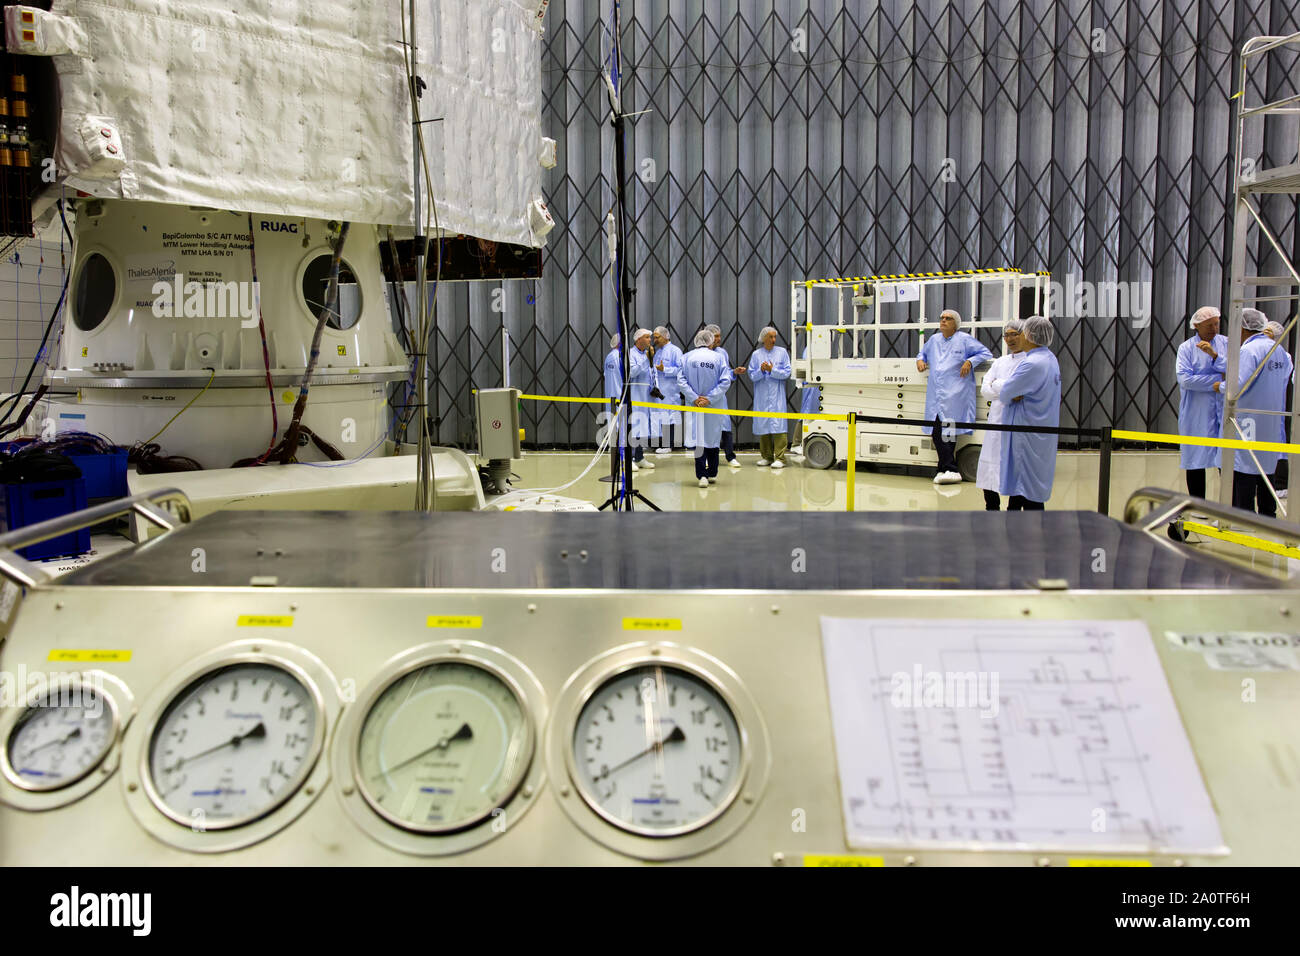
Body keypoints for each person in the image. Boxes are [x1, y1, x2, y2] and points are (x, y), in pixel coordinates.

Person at [916, 309, 994, 484]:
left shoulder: (964, 340)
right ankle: (946, 468)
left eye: (948, 319)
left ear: (956, 324)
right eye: (941, 318)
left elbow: (985, 353)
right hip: (937, 395)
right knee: (937, 432)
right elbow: (922, 353)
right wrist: (920, 360)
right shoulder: (934, 340)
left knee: (948, 432)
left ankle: (948, 468)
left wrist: (969, 361)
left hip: (955, 395)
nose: (943, 321)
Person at [1230, 308, 1294, 517]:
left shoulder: (1249, 351)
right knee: (1266, 465)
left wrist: (1221, 387)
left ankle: (1244, 514)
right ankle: (1267, 513)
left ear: (1242, 327)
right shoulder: (1279, 351)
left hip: (1250, 418)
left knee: (1245, 464)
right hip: (1272, 419)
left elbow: (1239, 385)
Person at [996, 315, 1061, 510]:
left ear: (1030, 336)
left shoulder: (1031, 364)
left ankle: (1025, 533)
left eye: (1021, 332)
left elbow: (1006, 394)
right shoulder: (1049, 358)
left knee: (1026, 485)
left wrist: (999, 385)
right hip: (1040, 430)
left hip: (1025, 433)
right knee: (1030, 486)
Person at [1174, 306, 1227, 502]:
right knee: (1195, 459)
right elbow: (1185, 380)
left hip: (1223, 409)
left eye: (1216, 324)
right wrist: (1217, 382)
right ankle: (1198, 505)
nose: (1214, 328)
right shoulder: (1186, 348)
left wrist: (1217, 364)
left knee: (1227, 458)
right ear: (1196, 326)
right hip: (1197, 411)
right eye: (1209, 325)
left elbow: (1236, 371)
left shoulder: (1226, 344)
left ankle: (1229, 506)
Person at [976, 319, 1027, 510]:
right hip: (995, 422)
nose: (1010, 339)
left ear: (1025, 335)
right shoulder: (1000, 362)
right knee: (989, 468)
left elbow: (1018, 390)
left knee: (1015, 469)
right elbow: (985, 389)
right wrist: (1005, 389)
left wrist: (998, 385)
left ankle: (1013, 511)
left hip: (1017, 423)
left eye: (1015, 334)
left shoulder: (1030, 362)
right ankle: (992, 507)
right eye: (1007, 335)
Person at [678, 329, 733, 487]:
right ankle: (712, 473)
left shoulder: (686, 357)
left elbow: (681, 381)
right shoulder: (718, 358)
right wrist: (709, 399)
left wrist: (695, 398)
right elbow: (725, 381)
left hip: (694, 405)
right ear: (710, 341)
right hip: (713, 406)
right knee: (713, 438)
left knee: (699, 439)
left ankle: (702, 475)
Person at [747, 326, 793, 468]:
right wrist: (761, 370)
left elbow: (787, 373)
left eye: (774, 337)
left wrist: (772, 370)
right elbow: (752, 375)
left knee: (778, 426)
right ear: (764, 338)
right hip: (761, 397)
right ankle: (766, 456)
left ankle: (780, 458)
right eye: (770, 337)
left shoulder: (782, 353)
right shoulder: (756, 355)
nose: (773, 340)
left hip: (777, 397)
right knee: (764, 425)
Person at [706, 324, 741, 468]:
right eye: (716, 336)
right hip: (704, 397)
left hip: (719, 396)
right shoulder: (700, 354)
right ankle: (706, 457)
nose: (719, 339)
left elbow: (726, 374)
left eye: (720, 335)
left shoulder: (722, 353)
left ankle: (730, 456)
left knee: (725, 426)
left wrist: (734, 372)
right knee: (706, 428)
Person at [650, 326, 684, 454]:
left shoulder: (675, 351)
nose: (655, 340)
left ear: (665, 337)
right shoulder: (657, 352)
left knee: (670, 417)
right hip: (659, 391)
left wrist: (665, 370)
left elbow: (680, 371)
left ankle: (668, 445)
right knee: (660, 417)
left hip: (670, 391)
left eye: (657, 337)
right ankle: (660, 444)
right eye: (654, 337)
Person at [628, 328, 655, 470]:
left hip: (646, 397)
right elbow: (632, 372)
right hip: (635, 396)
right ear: (638, 339)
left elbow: (650, 372)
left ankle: (639, 457)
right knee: (635, 428)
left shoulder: (646, 354)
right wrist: (646, 359)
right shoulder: (631, 354)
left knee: (643, 428)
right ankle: (630, 458)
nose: (650, 340)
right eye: (647, 337)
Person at [792, 343, 821, 456]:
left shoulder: (820, 348)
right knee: (806, 412)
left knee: (814, 413)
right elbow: (806, 364)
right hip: (811, 384)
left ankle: (806, 443)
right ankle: (796, 443)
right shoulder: (810, 348)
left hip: (817, 385)